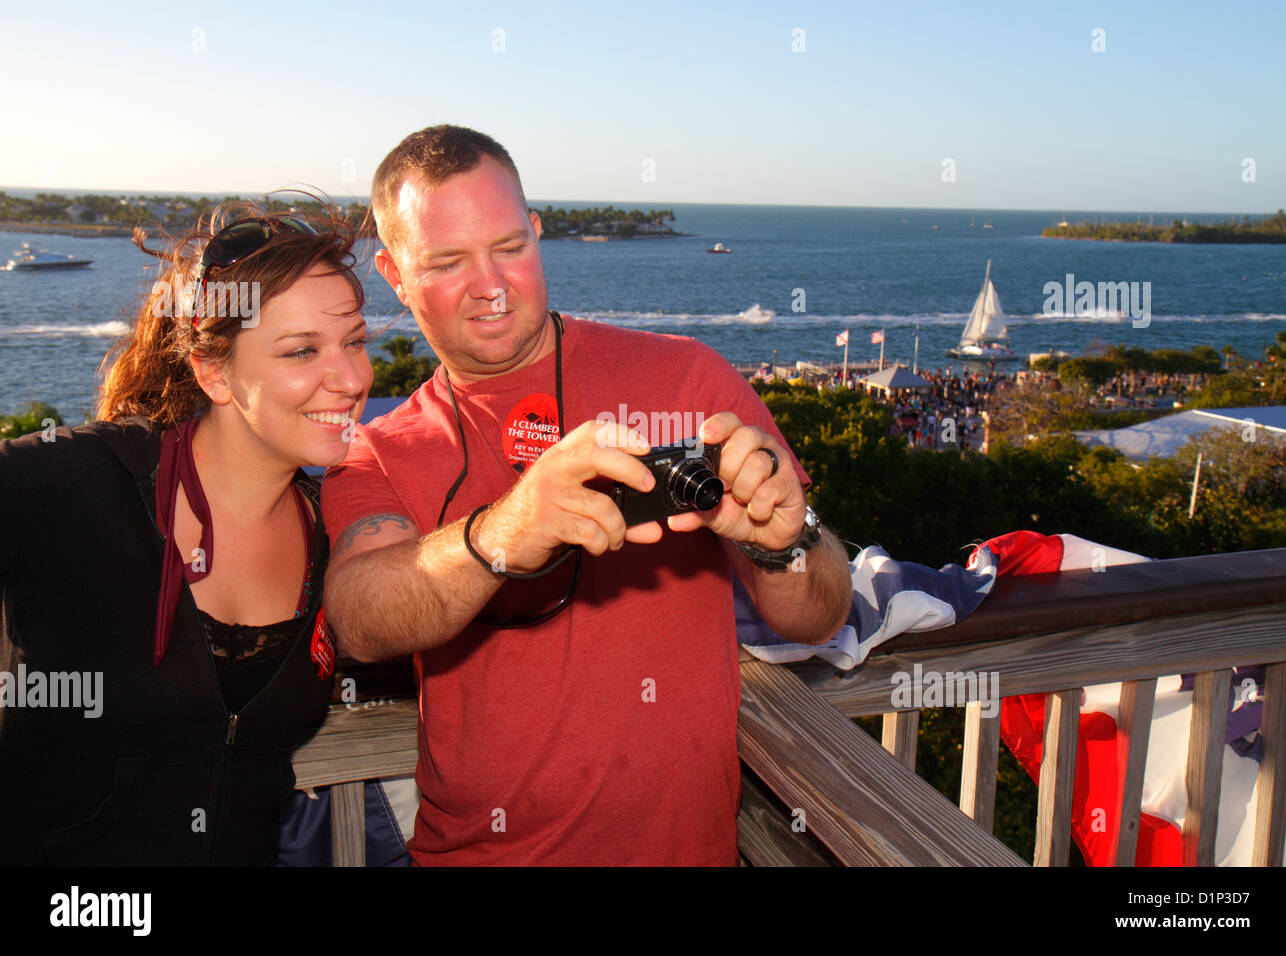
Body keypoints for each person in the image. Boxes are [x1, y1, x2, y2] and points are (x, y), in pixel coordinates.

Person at [322, 125, 853, 866]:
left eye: (510, 247)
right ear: (394, 274)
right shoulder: (376, 450)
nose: (490, 285)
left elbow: (818, 614)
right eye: (447, 262)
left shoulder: (686, 381)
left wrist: (785, 544)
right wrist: (506, 531)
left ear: (538, 234)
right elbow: (358, 619)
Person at [0, 202, 372, 864]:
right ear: (214, 373)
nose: (350, 379)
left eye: (355, 341)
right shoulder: (79, 481)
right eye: (302, 350)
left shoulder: (332, 530)